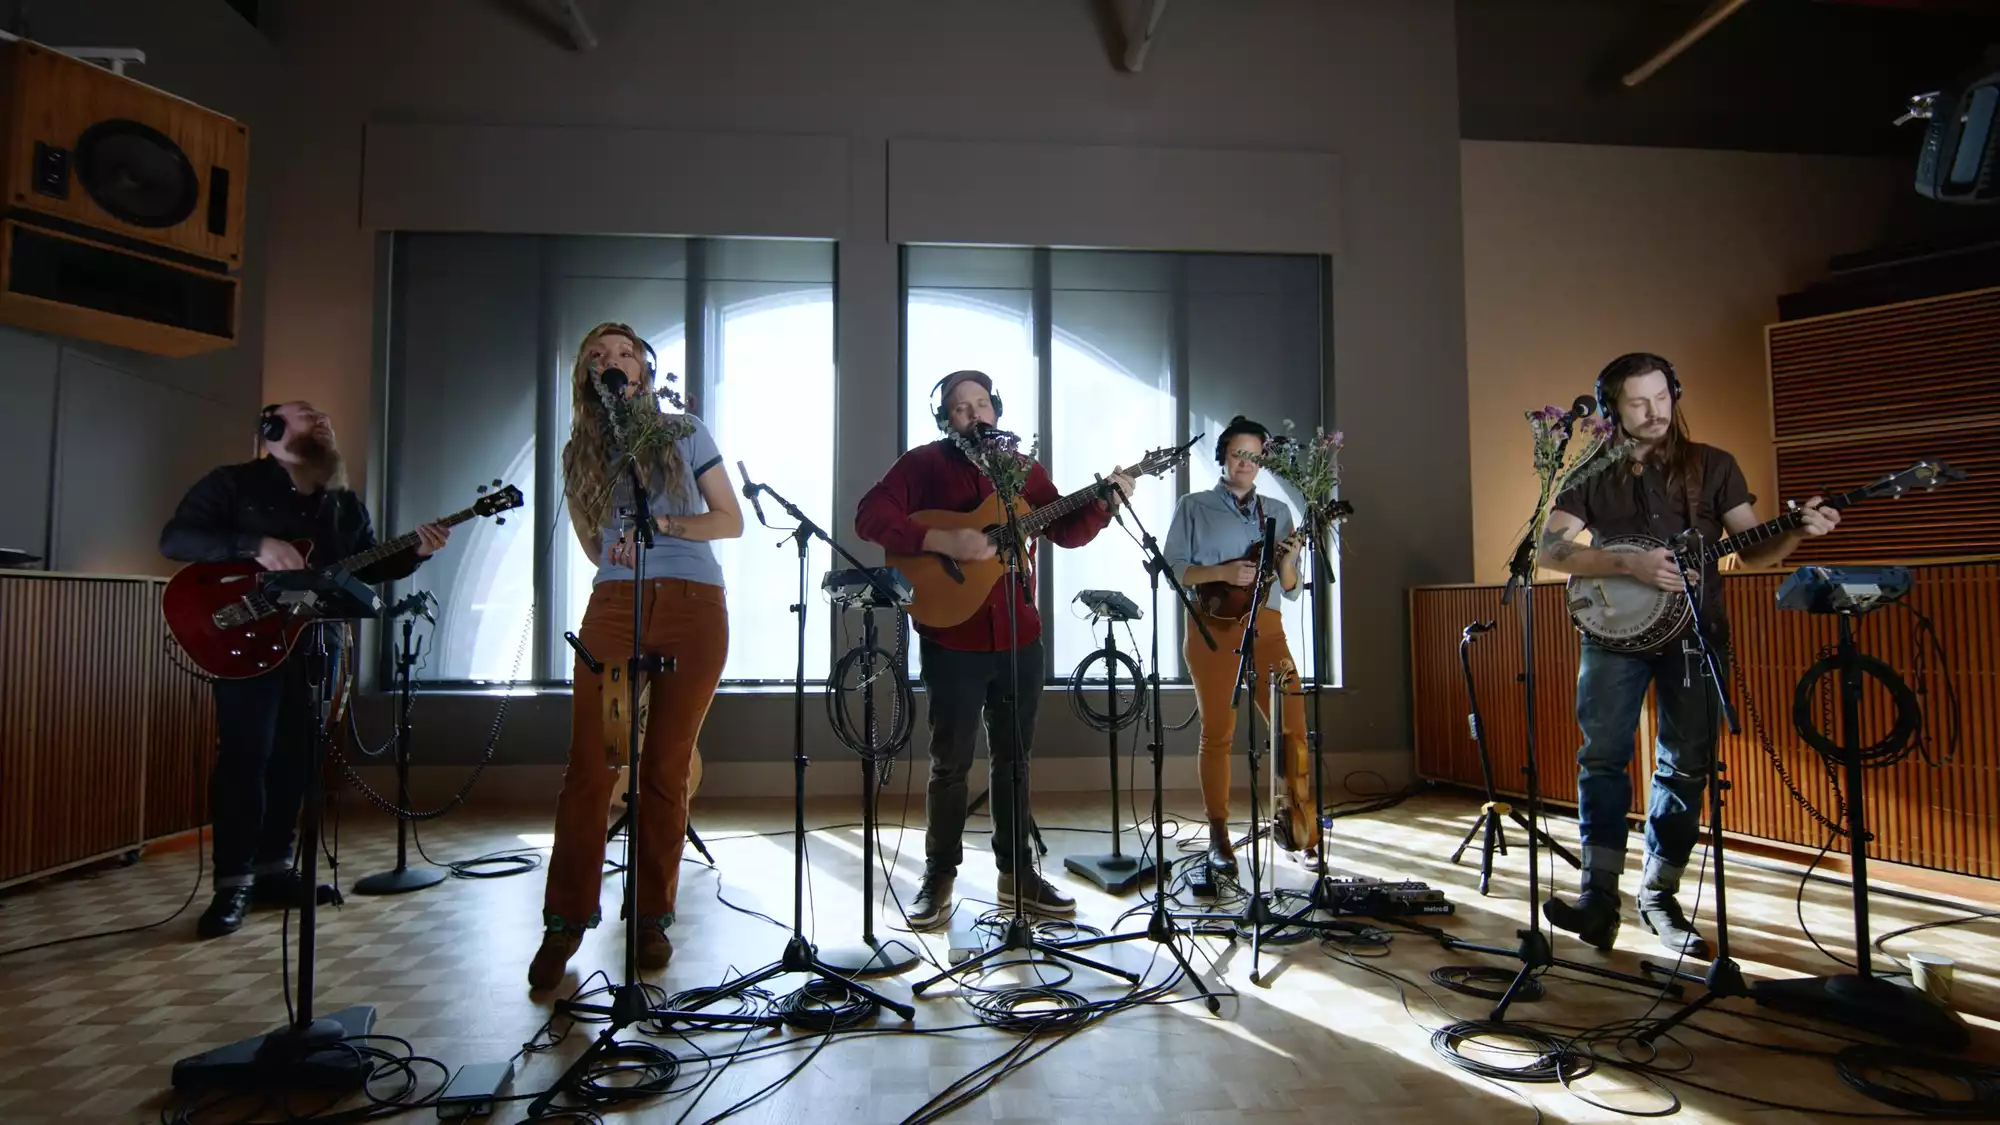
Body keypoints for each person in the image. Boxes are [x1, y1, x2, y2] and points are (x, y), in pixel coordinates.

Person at [1537, 353, 1839, 958]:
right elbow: (1549, 548)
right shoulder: (1591, 470)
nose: (1654, 413)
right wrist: (1629, 563)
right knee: (1602, 759)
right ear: (1611, 410)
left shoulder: (1713, 467)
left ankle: (1660, 896)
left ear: (1674, 393)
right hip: (1612, 637)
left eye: (1661, 398)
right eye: (1637, 403)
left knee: (1686, 765)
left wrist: (1795, 531)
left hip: (1694, 635)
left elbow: (1751, 551)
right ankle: (1599, 898)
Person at [855, 370, 1135, 929]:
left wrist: (1106, 502)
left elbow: (1066, 528)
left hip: (1018, 635)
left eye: (981, 404)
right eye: (961, 408)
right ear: (946, 420)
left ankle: (1018, 876)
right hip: (951, 636)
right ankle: (939, 876)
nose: (974, 414)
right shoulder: (923, 464)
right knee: (950, 763)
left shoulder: (1022, 468)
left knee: (1015, 761)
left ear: (997, 409)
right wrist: (940, 539)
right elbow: (869, 516)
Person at [161, 401, 450, 939]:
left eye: (325, 415)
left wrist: (416, 551)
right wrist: (254, 545)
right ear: (271, 430)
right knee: (246, 757)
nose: (323, 419)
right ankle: (233, 883)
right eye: (306, 414)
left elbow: (368, 561)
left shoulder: (342, 503)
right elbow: (176, 539)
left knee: (298, 756)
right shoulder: (231, 484)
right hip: (241, 639)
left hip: (312, 642)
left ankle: (275, 869)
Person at [529, 322, 742, 991]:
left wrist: (665, 526)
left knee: (667, 765)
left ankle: (652, 913)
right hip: (618, 602)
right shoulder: (578, 452)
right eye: (599, 357)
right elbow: (594, 547)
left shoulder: (685, 431)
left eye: (624, 354)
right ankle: (563, 921)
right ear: (588, 376)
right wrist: (616, 549)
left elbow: (729, 519)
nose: (613, 363)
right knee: (592, 764)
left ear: (645, 368)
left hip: (695, 600)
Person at [1163, 416, 1315, 875]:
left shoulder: (1279, 512)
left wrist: (1288, 563)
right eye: (1237, 454)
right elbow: (1173, 567)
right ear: (1223, 456)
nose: (1245, 463)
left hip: (1267, 626)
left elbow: (1290, 587)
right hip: (1212, 629)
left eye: (1253, 456)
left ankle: (1302, 825)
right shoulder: (1193, 506)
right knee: (1219, 733)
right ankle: (1218, 835)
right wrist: (1222, 573)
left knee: (1293, 728)